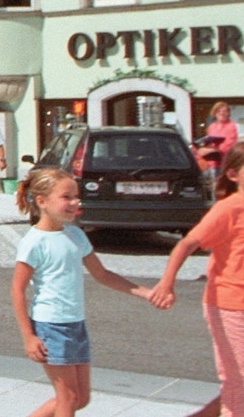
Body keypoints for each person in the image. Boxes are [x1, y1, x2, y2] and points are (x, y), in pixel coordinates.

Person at [150, 142, 244, 417]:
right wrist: (166, 283)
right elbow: (187, 243)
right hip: (227, 306)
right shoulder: (228, 208)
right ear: (233, 175)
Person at [10, 166, 150, 416]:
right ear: (42, 201)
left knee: (81, 398)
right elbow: (17, 290)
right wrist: (28, 336)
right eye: (67, 197)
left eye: (76, 196)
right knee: (68, 397)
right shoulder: (34, 242)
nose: (75, 202)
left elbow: (102, 275)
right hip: (50, 325)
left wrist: (145, 292)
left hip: (75, 324)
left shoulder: (75, 235)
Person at [200, 102, 240, 174]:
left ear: (228, 113)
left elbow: (229, 144)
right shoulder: (212, 127)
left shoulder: (231, 126)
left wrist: (214, 150)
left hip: (226, 162)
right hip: (212, 163)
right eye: (219, 111)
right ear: (214, 113)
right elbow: (209, 142)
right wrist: (203, 148)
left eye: (225, 111)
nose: (222, 113)